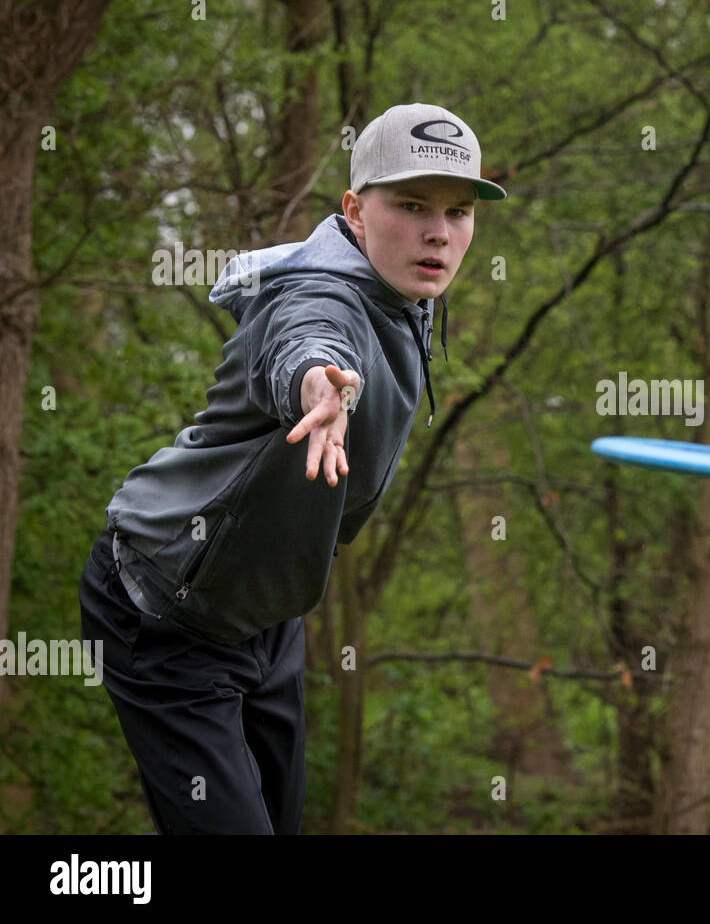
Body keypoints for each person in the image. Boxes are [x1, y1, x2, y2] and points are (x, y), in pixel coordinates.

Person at [77, 103, 506, 834]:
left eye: (458, 211)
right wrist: (318, 383)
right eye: (411, 205)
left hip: (265, 615)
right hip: (164, 603)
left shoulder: (406, 291)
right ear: (354, 211)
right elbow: (307, 336)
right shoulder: (318, 291)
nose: (439, 232)